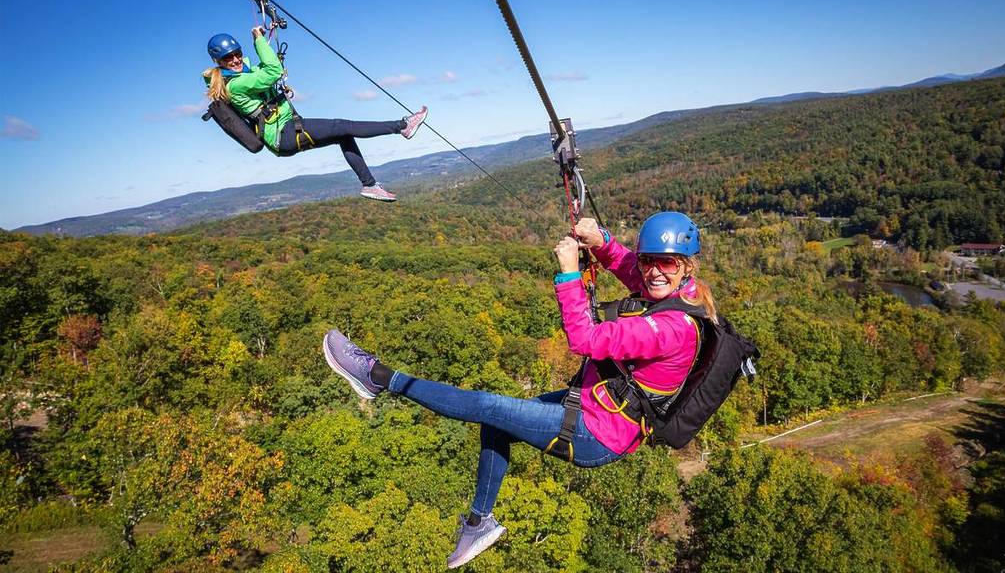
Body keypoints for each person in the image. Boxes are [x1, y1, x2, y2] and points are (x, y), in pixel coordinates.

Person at [322, 211, 715, 568]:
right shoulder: (679, 293)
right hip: (593, 407)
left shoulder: (672, 328)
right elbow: (630, 267)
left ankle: (378, 377)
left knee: (489, 407)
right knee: (498, 422)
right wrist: (600, 239)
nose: (654, 272)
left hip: (597, 432)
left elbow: (585, 339)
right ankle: (479, 522)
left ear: (686, 266)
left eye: (667, 263)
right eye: (650, 261)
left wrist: (568, 273)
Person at [204, 29, 428, 202]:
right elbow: (273, 71)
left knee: (343, 134)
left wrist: (262, 42)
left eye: (237, 54)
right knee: (342, 125)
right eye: (228, 58)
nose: (235, 60)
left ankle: (369, 185)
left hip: (286, 133)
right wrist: (258, 40)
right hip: (284, 134)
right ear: (218, 62)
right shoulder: (236, 84)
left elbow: (263, 70)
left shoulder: (243, 75)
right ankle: (402, 126)